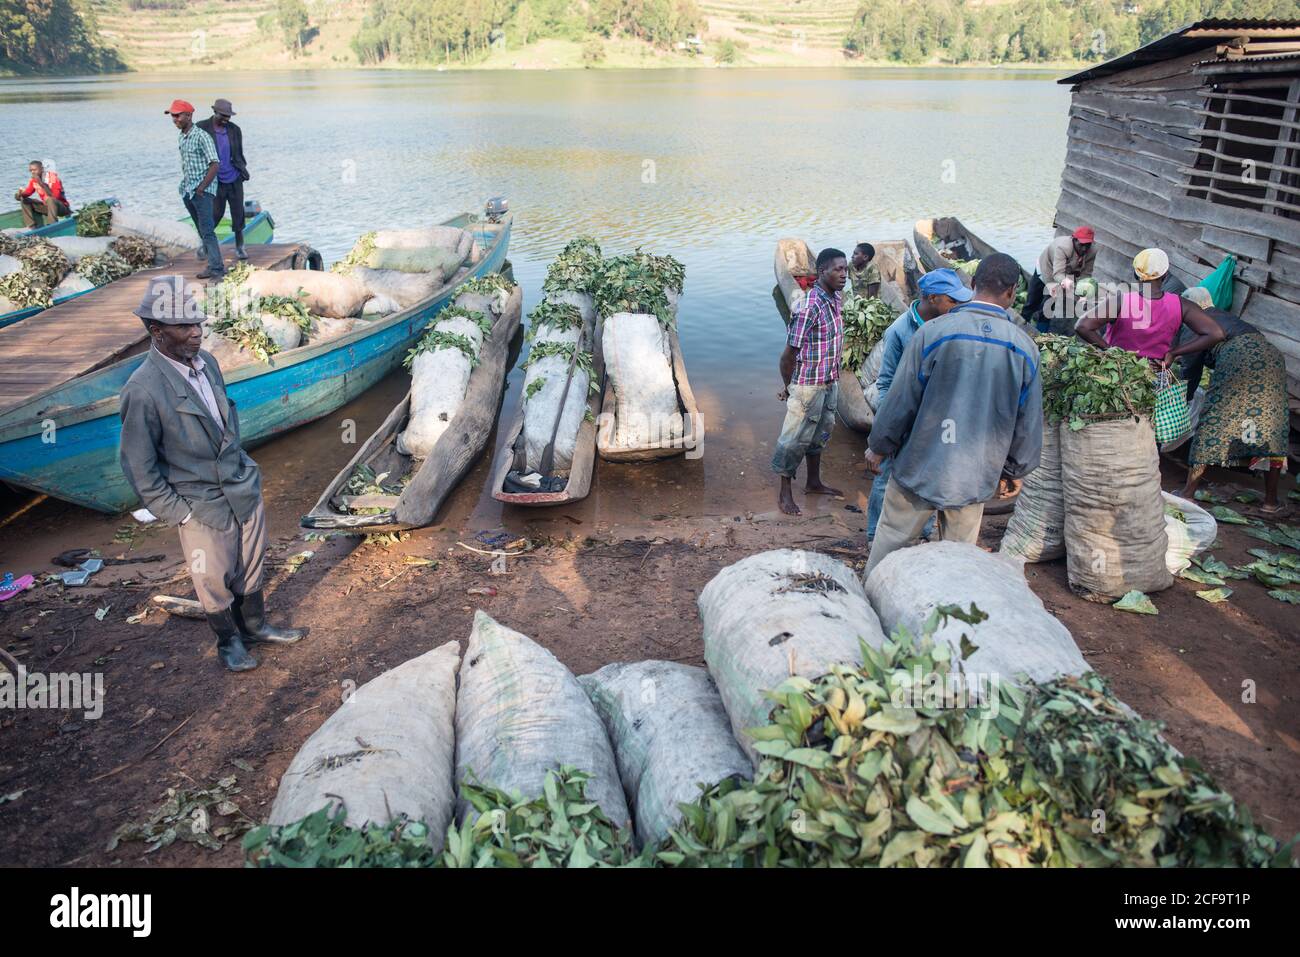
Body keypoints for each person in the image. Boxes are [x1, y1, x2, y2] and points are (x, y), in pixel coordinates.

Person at [119, 275, 306, 672]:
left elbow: (225, 424)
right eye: (184, 327)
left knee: (252, 561)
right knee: (212, 575)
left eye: (198, 324)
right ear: (156, 331)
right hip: (199, 500)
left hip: (240, 484)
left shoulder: (209, 365)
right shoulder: (143, 389)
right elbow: (138, 465)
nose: (196, 333)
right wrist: (180, 512)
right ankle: (228, 642)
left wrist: (246, 473)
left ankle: (254, 626)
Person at [862, 253, 1043, 579]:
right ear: (1013, 292)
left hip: (918, 469)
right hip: (974, 477)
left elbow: (900, 400)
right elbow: (1027, 421)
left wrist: (879, 445)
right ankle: (946, 618)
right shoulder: (1024, 348)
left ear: (972, 285)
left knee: (888, 548)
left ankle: (870, 607)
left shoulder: (932, 334)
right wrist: (1014, 469)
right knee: (957, 564)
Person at [865, 268, 969, 541]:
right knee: (886, 478)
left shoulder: (950, 324)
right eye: (952, 300)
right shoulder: (900, 331)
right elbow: (886, 383)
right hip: (904, 418)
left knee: (930, 477)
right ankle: (875, 536)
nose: (957, 306)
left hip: (936, 419)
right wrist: (887, 430)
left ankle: (921, 534)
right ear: (933, 298)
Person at [1176, 287, 1290, 513]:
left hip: (1239, 359)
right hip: (1273, 359)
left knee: (1214, 423)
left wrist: (1181, 402)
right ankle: (1270, 502)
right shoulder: (1225, 316)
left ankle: (1187, 494)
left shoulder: (1196, 322)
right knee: (1270, 427)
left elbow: (1190, 370)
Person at [773, 247, 847, 516]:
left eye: (845, 269)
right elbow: (788, 355)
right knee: (793, 439)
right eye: (837, 269)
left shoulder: (835, 298)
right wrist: (790, 387)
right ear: (822, 272)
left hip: (829, 381)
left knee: (822, 432)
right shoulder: (809, 306)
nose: (843, 274)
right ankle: (785, 493)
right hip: (808, 385)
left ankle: (813, 482)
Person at [1075, 248, 1223, 364]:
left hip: (1117, 371)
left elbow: (1082, 326)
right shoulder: (1182, 305)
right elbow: (1215, 333)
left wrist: (1111, 351)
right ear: (1165, 275)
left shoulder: (1121, 301)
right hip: (1153, 376)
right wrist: (1175, 352)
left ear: (1136, 274)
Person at [166, 98, 225, 280]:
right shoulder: (182, 136)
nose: (174, 119)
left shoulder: (201, 136)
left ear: (189, 115)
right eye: (172, 116)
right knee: (201, 230)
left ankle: (217, 268)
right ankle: (212, 264)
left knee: (207, 230)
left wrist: (202, 188)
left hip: (202, 191)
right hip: (188, 191)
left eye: (177, 115)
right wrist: (187, 189)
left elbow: (215, 163)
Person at [197, 98, 250, 261]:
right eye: (223, 115)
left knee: (238, 212)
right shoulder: (201, 128)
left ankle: (240, 246)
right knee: (215, 214)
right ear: (215, 112)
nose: (226, 119)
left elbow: (238, 152)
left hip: (234, 177)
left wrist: (242, 169)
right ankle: (206, 245)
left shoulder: (235, 130)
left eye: (229, 116)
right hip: (214, 180)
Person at [1026, 226, 1095, 327]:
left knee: (1048, 306)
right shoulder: (1062, 247)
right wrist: (1065, 282)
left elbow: (1086, 274)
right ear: (1074, 240)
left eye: (1088, 245)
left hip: (1065, 271)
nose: (1084, 248)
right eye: (1082, 245)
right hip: (1046, 268)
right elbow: (1057, 273)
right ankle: (1023, 322)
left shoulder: (1092, 251)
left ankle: (1041, 332)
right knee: (1033, 300)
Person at [14, 160, 70, 228]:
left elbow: (55, 197)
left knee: (50, 199)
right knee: (25, 200)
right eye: (30, 170)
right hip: (48, 208)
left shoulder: (53, 178)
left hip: (62, 208)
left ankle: (52, 225)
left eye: (34, 170)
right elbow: (27, 193)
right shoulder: (34, 180)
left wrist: (41, 183)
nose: (32, 172)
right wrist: (19, 195)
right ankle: (31, 226)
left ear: (42, 169)